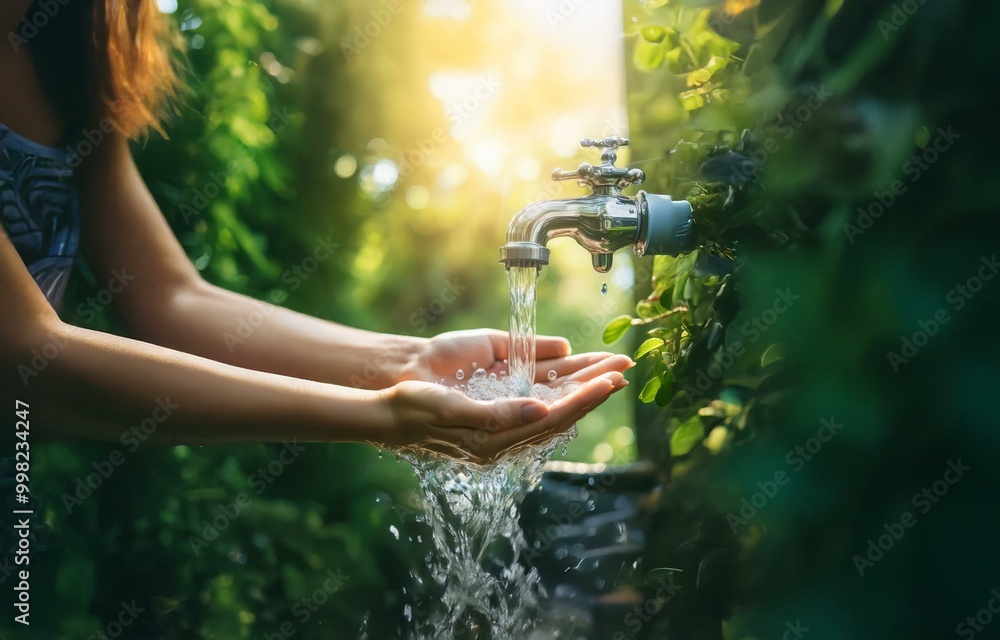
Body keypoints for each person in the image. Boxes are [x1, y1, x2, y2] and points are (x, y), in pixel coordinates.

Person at [0, 0, 630, 464]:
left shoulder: (66, 47)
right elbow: (27, 358)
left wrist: (405, 362)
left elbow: (168, 298)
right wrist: (380, 417)